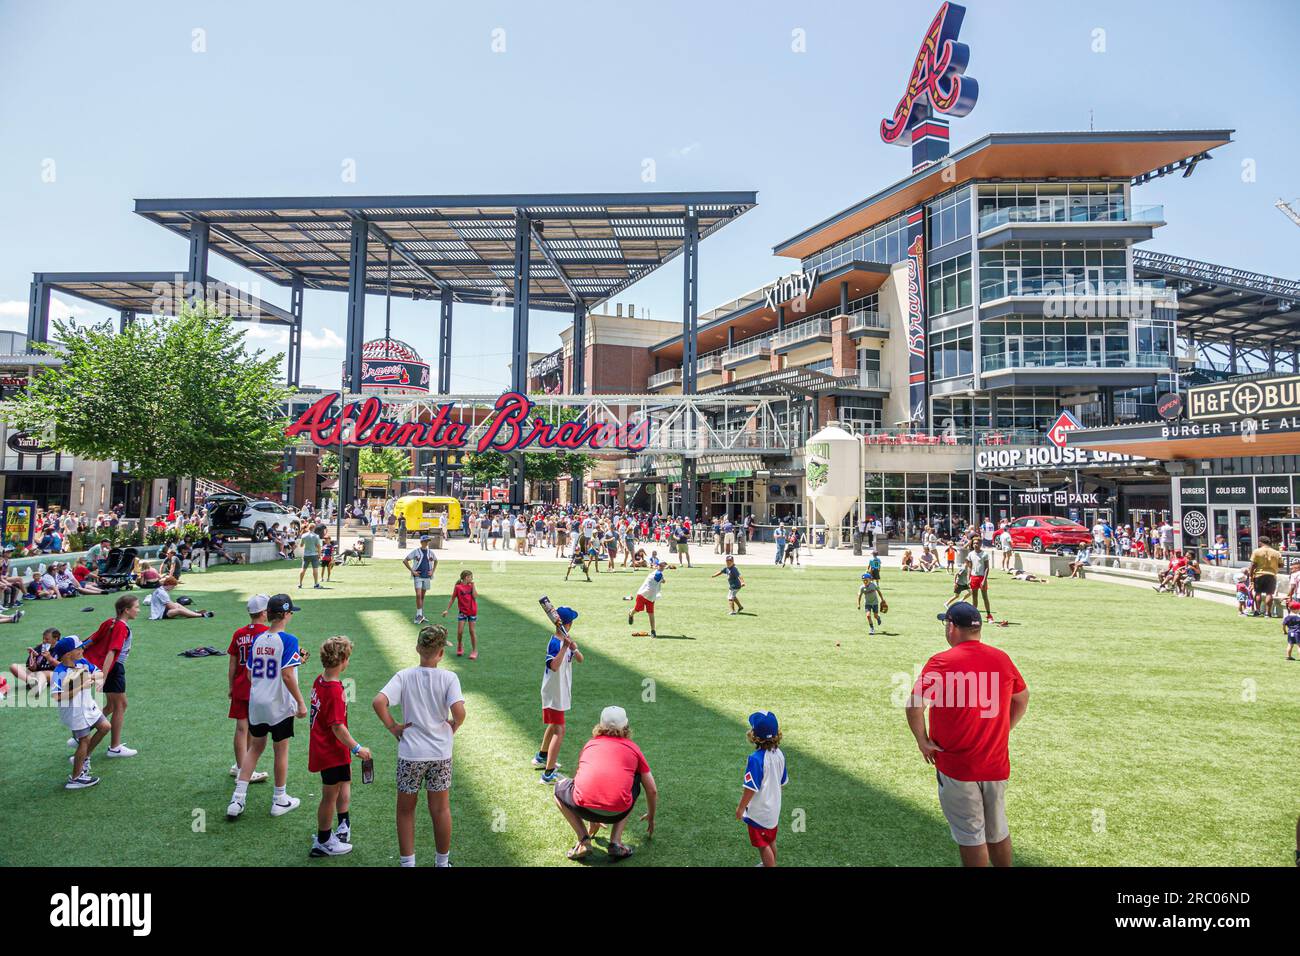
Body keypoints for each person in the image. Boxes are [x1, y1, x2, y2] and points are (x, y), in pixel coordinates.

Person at [905, 602, 1029, 867]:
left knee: (971, 835)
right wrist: (1004, 728)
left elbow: (914, 705)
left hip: (957, 766)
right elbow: (1022, 698)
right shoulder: (1001, 658)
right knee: (998, 830)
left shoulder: (941, 661)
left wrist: (923, 741)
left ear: (952, 627)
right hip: (995, 762)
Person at [374, 625, 465, 867]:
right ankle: (442, 863)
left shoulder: (404, 676)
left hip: (411, 753)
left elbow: (379, 702)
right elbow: (459, 711)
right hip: (440, 753)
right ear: (441, 653)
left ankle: (408, 863)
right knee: (440, 809)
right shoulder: (449, 678)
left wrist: (393, 726)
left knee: (405, 810)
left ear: (417, 648)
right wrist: (454, 726)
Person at [227, 594, 307, 820]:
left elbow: (251, 673)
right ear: (285, 614)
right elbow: (287, 675)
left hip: (256, 703)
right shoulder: (289, 639)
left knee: (255, 748)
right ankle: (279, 799)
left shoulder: (259, 639)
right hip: (279, 704)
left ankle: (237, 798)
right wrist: (301, 702)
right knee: (280, 750)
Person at [553, 705, 657, 862]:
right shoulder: (634, 749)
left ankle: (583, 840)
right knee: (634, 780)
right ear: (626, 726)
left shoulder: (590, 744)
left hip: (581, 808)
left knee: (558, 789)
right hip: (618, 811)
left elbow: (581, 782)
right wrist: (651, 816)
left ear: (600, 725)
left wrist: (592, 818)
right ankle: (616, 841)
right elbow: (652, 790)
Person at [308, 636, 371, 858]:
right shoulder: (334, 690)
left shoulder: (320, 680)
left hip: (330, 749)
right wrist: (357, 748)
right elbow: (337, 727)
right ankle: (324, 840)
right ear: (343, 660)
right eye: (348, 658)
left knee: (344, 782)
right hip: (331, 751)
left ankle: (343, 825)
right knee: (329, 796)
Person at [82, 595, 140, 759]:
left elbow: (91, 639)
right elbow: (112, 652)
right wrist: (103, 676)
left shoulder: (110, 622)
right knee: (121, 705)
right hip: (114, 669)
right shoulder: (122, 627)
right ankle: (114, 747)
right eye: (136, 607)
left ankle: (81, 732)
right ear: (126, 610)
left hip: (108, 668)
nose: (138, 610)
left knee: (112, 706)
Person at [51, 635, 111, 790]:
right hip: (74, 712)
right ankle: (76, 778)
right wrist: (80, 686)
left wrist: (92, 677)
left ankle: (83, 757)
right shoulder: (59, 672)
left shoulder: (82, 662)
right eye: (78, 648)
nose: (82, 649)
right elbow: (57, 697)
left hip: (88, 706)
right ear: (68, 654)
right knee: (84, 740)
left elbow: (99, 673)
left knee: (105, 727)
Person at [226, 594, 271, 784]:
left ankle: (240, 765)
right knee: (251, 729)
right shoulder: (268, 633)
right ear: (263, 612)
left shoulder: (239, 633)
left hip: (240, 686)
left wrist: (231, 686)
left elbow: (232, 664)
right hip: (258, 687)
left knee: (241, 728)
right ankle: (244, 770)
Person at [536, 606, 582, 786]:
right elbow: (553, 666)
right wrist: (564, 648)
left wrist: (574, 649)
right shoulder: (555, 643)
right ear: (567, 624)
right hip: (554, 693)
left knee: (554, 726)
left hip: (561, 691)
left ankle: (541, 756)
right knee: (560, 730)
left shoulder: (566, 641)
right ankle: (548, 773)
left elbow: (580, 659)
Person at [736, 710, 788, 867]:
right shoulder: (780, 754)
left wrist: (741, 808)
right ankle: (768, 864)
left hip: (759, 813)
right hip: (773, 810)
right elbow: (782, 782)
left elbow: (750, 789)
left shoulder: (755, 759)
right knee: (770, 839)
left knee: (762, 845)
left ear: (755, 736)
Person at [10, 627, 59, 698]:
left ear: (56, 638)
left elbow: (63, 667)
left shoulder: (61, 648)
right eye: (43, 639)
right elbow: (32, 668)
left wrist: (50, 658)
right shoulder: (40, 647)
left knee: (43, 674)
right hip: (36, 675)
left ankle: (38, 687)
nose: (44, 641)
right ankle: (32, 682)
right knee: (14, 666)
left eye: (47, 639)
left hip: (52, 675)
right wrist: (33, 657)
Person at [442, 569, 479, 659]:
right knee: (460, 632)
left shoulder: (471, 586)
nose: (472, 579)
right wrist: (447, 610)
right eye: (471, 577)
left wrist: (473, 586)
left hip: (472, 612)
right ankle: (459, 645)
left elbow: (475, 596)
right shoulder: (458, 587)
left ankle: (474, 650)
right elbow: (452, 598)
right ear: (466, 577)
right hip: (462, 612)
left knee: (472, 631)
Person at [403, 535, 438, 624]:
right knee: (418, 595)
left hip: (427, 576)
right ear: (421, 542)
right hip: (418, 576)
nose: (427, 543)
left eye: (428, 541)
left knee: (422, 596)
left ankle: (420, 615)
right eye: (425, 541)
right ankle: (418, 615)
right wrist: (412, 571)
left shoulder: (430, 552)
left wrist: (432, 571)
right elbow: (405, 560)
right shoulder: (416, 551)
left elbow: (436, 560)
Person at [1249, 536, 1283, 618]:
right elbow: (1281, 565)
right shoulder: (1276, 552)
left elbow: (1253, 565)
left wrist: (1251, 576)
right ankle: (1268, 613)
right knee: (1269, 593)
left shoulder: (1256, 551)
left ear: (1260, 542)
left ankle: (1258, 611)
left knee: (1258, 593)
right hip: (1271, 574)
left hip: (1259, 574)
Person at [627, 564, 664, 638]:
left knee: (651, 613)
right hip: (642, 595)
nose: (662, 567)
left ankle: (653, 631)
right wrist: (662, 580)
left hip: (651, 598)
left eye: (663, 566)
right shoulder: (653, 576)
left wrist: (662, 579)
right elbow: (662, 580)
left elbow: (662, 580)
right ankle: (631, 613)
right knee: (637, 609)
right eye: (660, 566)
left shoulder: (658, 575)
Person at [966, 539, 995, 622]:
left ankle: (989, 615)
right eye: (974, 543)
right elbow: (969, 567)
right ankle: (974, 617)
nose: (975, 545)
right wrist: (968, 578)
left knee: (985, 597)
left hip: (982, 577)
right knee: (974, 598)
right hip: (973, 577)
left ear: (980, 544)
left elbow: (987, 568)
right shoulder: (970, 554)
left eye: (977, 543)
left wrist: (984, 580)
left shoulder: (984, 554)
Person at [298, 524, 322, 590]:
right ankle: (316, 584)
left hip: (306, 555)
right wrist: (319, 554)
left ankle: (300, 584)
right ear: (314, 528)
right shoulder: (316, 536)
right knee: (315, 569)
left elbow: (301, 545)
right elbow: (318, 546)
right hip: (314, 554)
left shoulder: (304, 535)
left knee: (303, 569)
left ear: (309, 528)